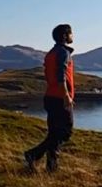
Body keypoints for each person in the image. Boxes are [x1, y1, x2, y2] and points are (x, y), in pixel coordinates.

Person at [24, 24, 75, 172]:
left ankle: (51, 167)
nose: (73, 35)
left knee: (54, 133)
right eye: (71, 33)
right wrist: (66, 96)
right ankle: (34, 155)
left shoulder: (51, 53)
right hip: (60, 98)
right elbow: (61, 76)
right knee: (65, 132)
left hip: (50, 97)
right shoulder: (63, 52)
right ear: (65, 36)